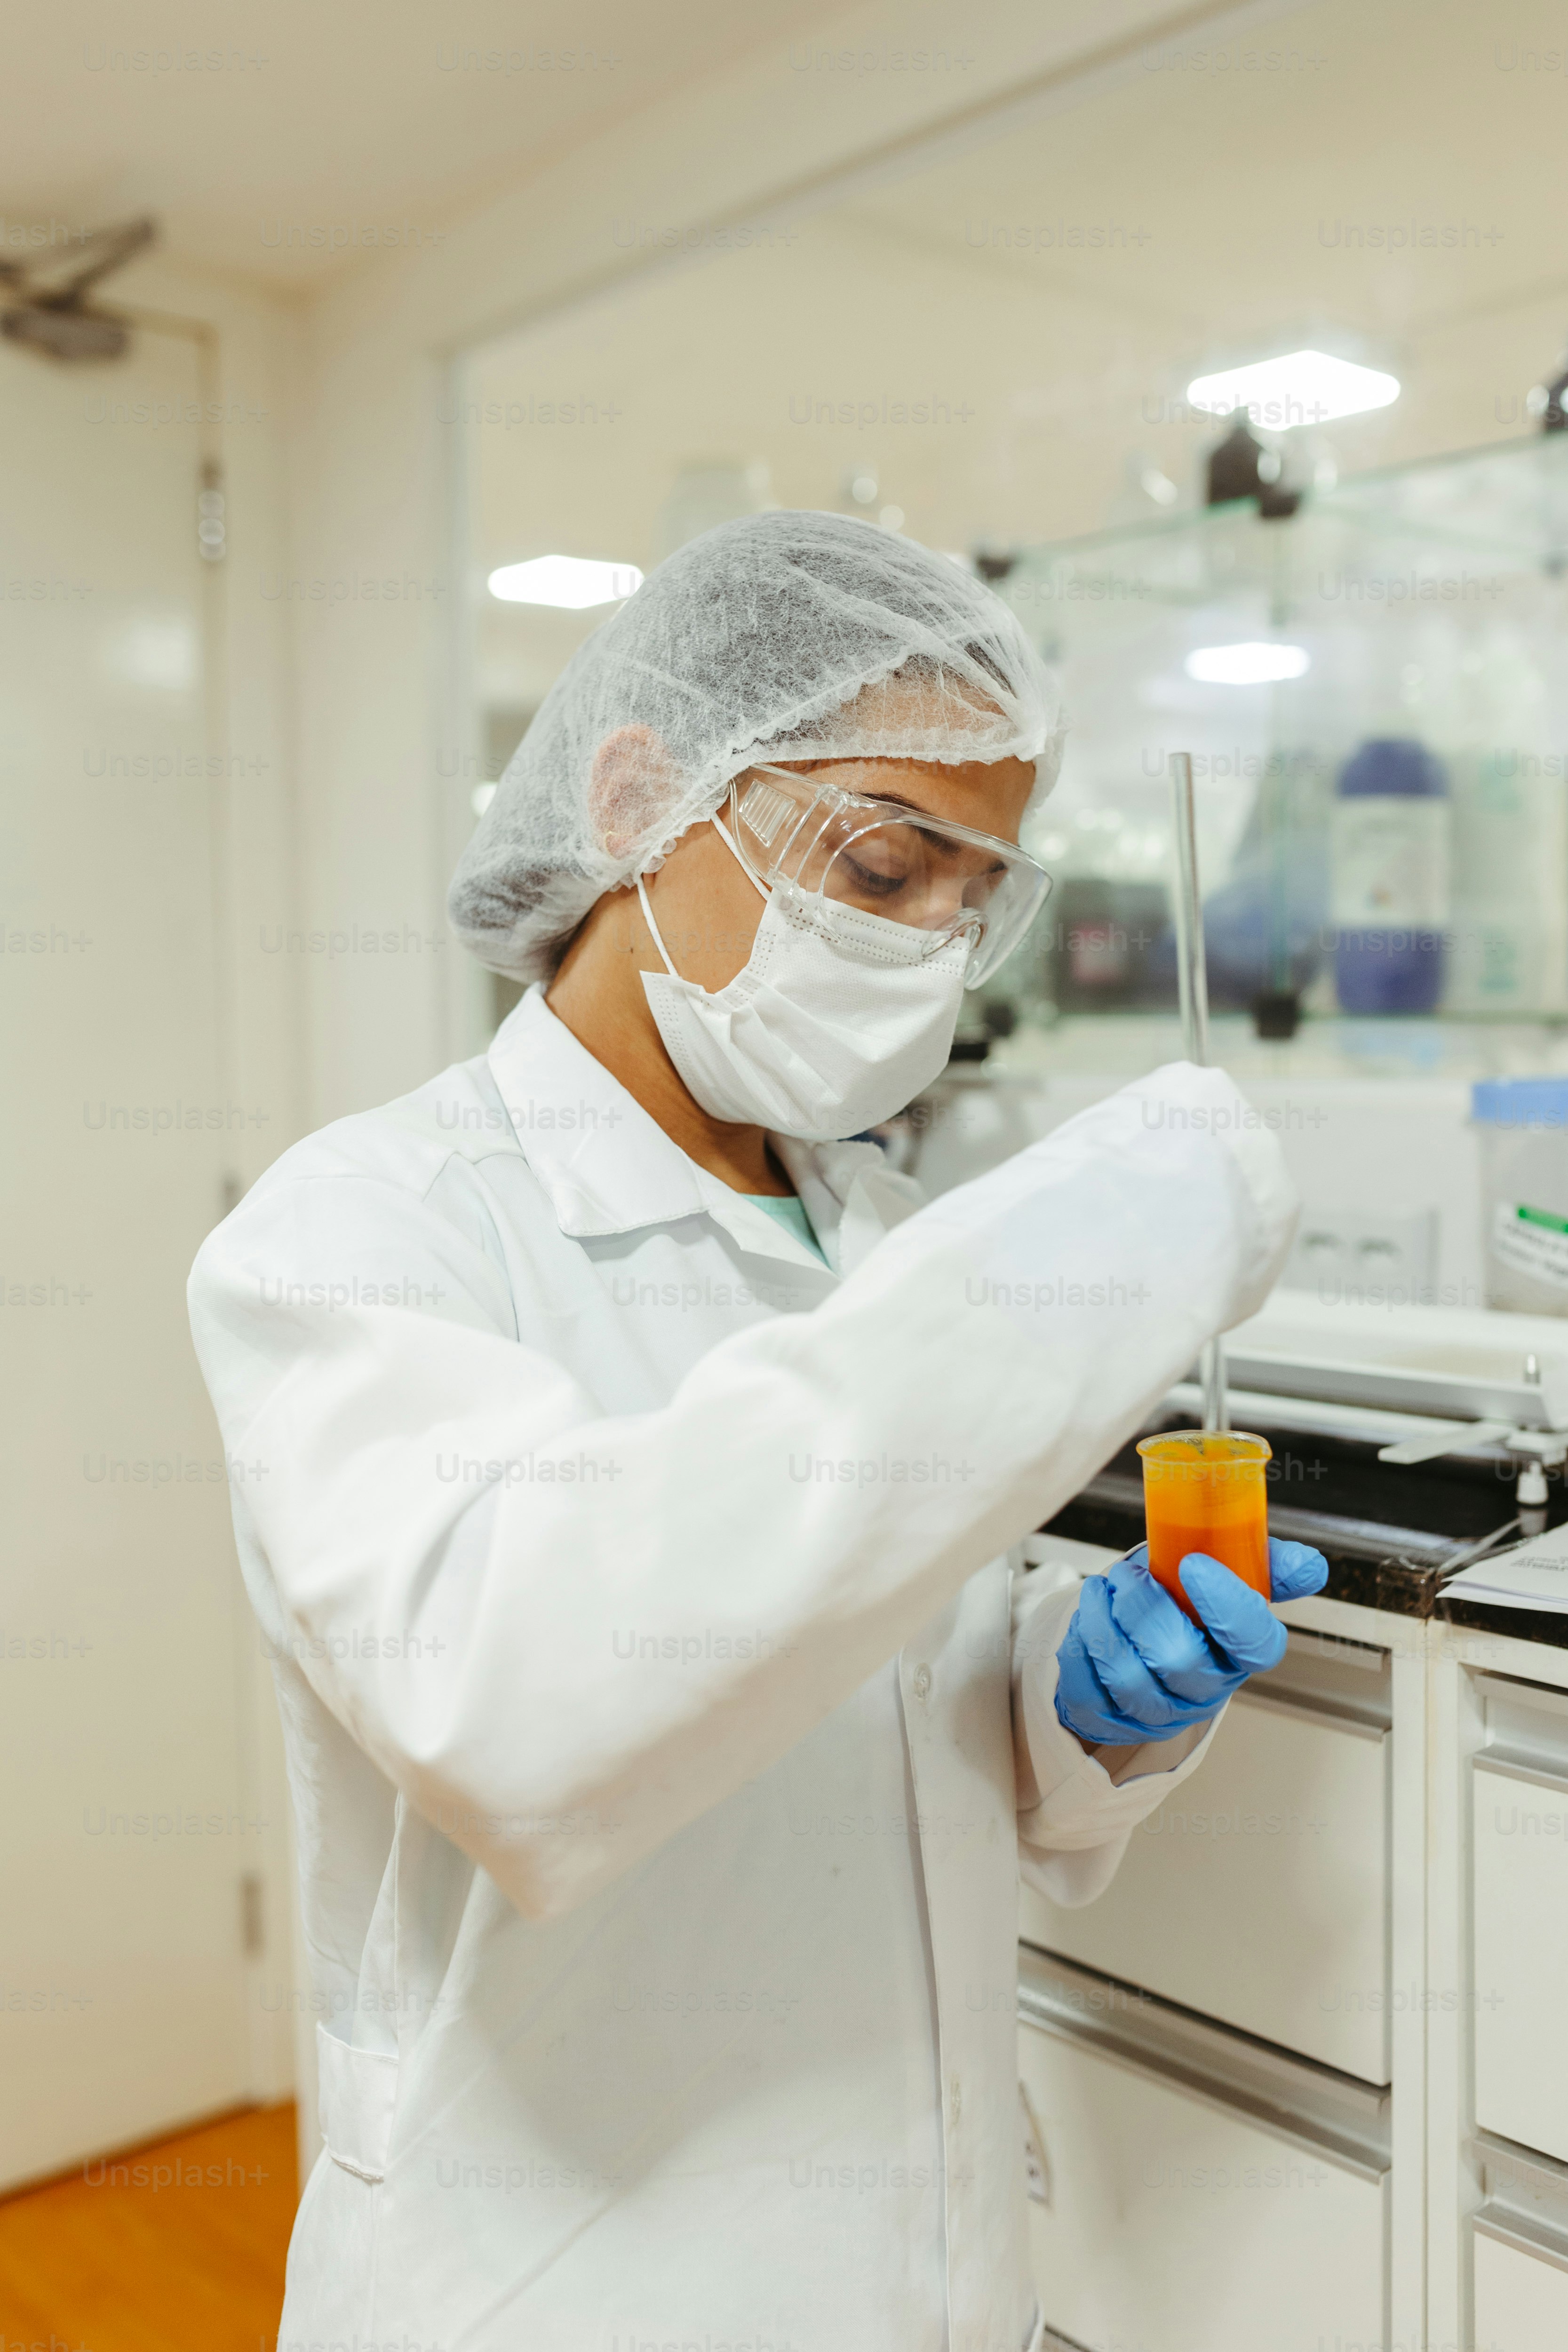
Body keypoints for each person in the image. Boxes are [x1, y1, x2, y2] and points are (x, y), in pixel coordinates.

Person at [189, 512, 1325, 2352]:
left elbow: (866, 1691)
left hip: (928, 2263)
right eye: (884, 863)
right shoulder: (361, 1232)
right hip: (566, 2274)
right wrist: (1122, 1227)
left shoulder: (870, 1233)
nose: (932, 950)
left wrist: (1068, 1700)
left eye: (976, 900)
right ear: (640, 794)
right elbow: (535, 1695)